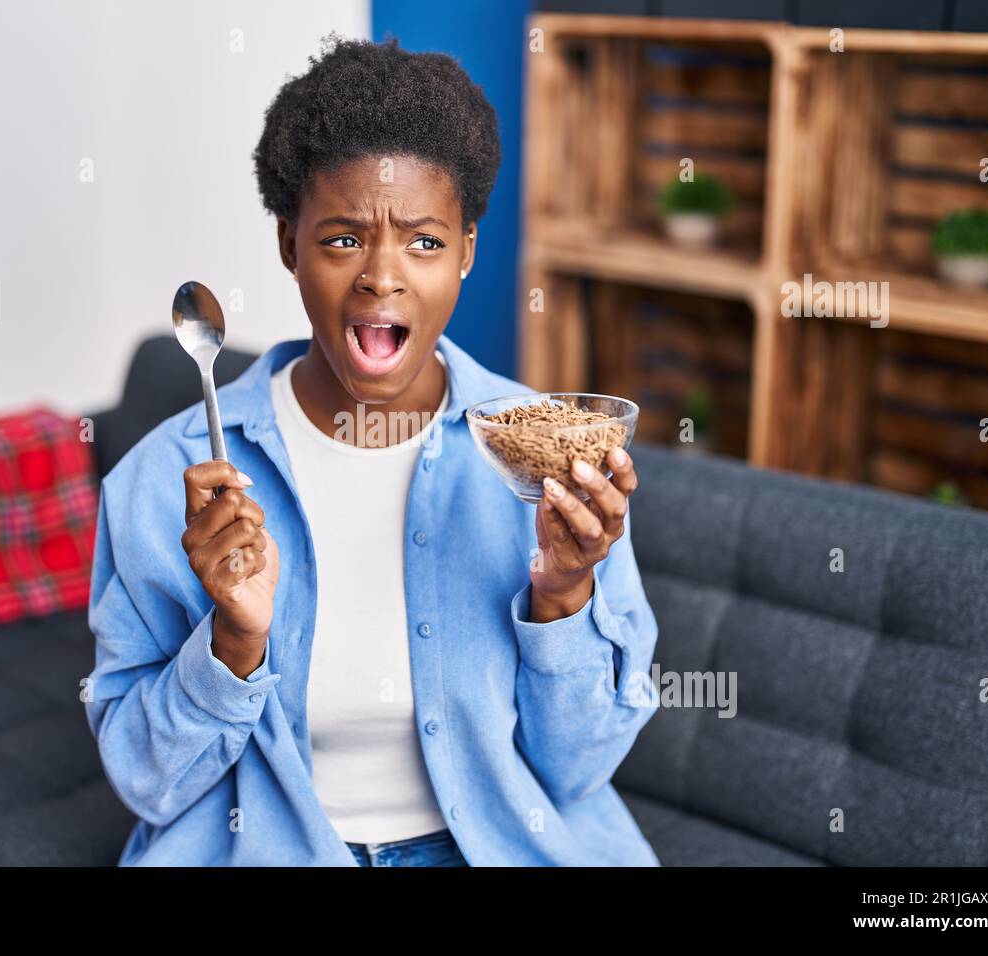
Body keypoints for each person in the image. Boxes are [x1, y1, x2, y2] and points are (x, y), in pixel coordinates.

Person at [85, 33, 660, 867]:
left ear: (467, 249)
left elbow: (580, 770)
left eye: (424, 242)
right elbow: (148, 784)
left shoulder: (553, 458)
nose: (381, 278)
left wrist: (565, 595)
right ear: (289, 244)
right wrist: (232, 643)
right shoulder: (158, 482)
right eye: (343, 239)